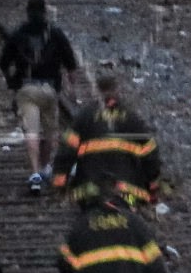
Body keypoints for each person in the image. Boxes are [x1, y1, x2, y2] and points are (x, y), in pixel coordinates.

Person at [0, 0, 79, 193]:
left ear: (27, 12)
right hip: (50, 90)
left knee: (32, 132)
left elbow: (3, 62)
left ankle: (35, 172)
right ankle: (45, 168)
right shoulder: (55, 34)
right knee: (49, 132)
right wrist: (71, 86)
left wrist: (12, 81)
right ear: (45, 12)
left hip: (26, 90)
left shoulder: (19, 34)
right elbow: (71, 64)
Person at [50, 74, 161, 206]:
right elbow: (151, 156)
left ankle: (91, 219)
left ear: (96, 90)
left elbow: (66, 153)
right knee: (129, 208)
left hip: (89, 192)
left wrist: (60, 185)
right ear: (116, 89)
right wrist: (152, 189)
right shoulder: (132, 118)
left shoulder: (84, 117)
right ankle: (129, 211)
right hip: (127, 193)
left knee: (89, 216)